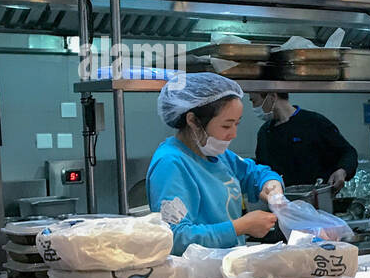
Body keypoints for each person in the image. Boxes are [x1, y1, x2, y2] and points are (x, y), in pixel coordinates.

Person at [148, 74, 285, 254]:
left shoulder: (218, 155)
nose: (233, 134)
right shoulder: (171, 164)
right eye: (226, 126)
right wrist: (239, 227)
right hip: (195, 274)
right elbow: (174, 237)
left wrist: (271, 184)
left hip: (226, 267)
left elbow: (255, 173)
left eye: (237, 124)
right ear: (192, 121)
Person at [248, 92, 358, 192]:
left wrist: (342, 170)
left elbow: (348, 152)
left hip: (316, 203)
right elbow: (263, 168)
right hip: (281, 205)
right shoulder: (264, 133)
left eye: (254, 101)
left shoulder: (314, 123)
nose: (254, 108)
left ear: (272, 97)